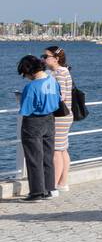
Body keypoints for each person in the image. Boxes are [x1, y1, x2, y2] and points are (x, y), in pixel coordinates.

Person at [16, 55, 61, 201]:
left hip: (34, 122)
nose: (25, 77)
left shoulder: (31, 86)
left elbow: (26, 109)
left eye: (24, 74)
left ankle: (36, 192)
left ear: (29, 71)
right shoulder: (53, 81)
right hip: (50, 119)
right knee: (48, 156)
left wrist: (20, 98)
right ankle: (49, 189)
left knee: (34, 158)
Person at [42, 45, 74, 193]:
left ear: (56, 59)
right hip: (66, 115)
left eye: (45, 56)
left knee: (56, 150)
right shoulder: (62, 71)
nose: (43, 59)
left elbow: (61, 96)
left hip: (60, 116)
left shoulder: (59, 73)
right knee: (62, 150)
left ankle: (53, 185)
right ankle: (63, 182)